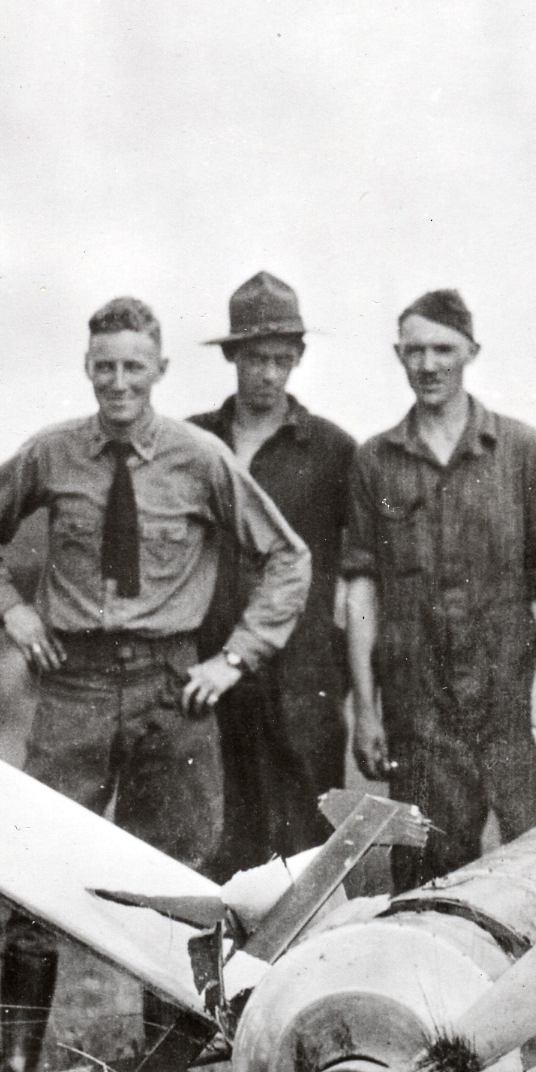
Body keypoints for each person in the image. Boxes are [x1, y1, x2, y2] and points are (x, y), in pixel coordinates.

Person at [0, 295, 309, 1072]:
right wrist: (12, 609)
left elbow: (287, 558)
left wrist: (235, 658)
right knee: (34, 866)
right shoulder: (50, 455)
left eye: (133, 368)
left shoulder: (200, 459)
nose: (118, 383)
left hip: (169, 689)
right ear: (87, 368)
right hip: (72, 688)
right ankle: (17, 1069)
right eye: (104, 367)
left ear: (160, 372)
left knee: (174, 884)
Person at [342, 288, 536, 888]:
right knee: (429, 882)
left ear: (471, 350)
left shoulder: (520, 450)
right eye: (414, 350)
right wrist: (367, 709)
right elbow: (362, 592)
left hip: (514, 698)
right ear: (398, 354)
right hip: (420, 709)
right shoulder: (375, 462)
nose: (428, 365)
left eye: (443, 349)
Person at [188, 272, 357, 871]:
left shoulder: (334, 450)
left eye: (282, 360)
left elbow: (362, 570)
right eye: (255, 357)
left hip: (303, 682)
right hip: (210, 675)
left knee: (307, 855)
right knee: (224, 849)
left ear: (299, 359)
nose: (268, 373)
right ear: (232, 354)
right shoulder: (192, 442)